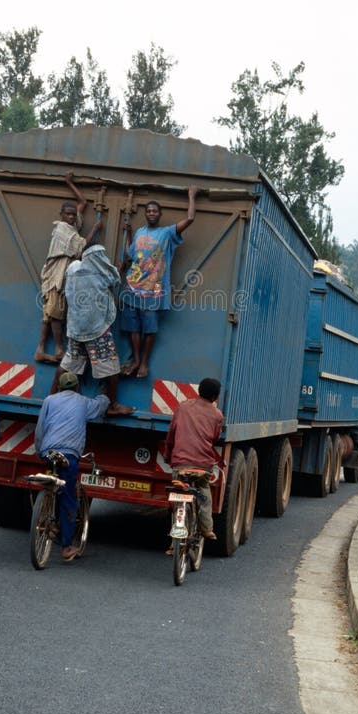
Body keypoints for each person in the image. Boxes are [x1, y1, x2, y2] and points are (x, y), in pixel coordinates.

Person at [119, 186, 197, 378]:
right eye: (149, 211)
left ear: (160, 214)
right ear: (145, 214)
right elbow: (131, 254)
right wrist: (129, 234)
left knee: (150, 327)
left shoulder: (167, 233)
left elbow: (190, 219)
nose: (151, 213)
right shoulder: (139, 232)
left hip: (153, 288)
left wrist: (191, 195)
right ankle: (136, 360)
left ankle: (144, 363)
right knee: (132, 326)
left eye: (155, 211)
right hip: (132, 286)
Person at [34, 371, 109, 561]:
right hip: (68, 455)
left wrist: (39, 451)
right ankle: (67, 546)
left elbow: (40, 428)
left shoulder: (49, 401)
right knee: (69, 498)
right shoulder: (83, 402)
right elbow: (101, 406)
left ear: (59, 386)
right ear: (77, 387)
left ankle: (49, 515)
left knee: (54, 483)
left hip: (48, 452)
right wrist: (105, 393)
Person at [54, 243, 134, 416]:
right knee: (111, 366)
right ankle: (113, 405)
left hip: (76, 328)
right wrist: (121, 266)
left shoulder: (73, 268)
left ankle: (51, 397)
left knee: (69, 363)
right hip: (96, 329)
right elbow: (114, 278)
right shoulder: (100, 273)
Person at [34, 173, 100, 364]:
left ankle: (40, 349)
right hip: (56, 277)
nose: (72, 217)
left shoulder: (72, 228)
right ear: (61, 215)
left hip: (62, 276)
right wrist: (95, 229)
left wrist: (69, 183)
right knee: (56, 313)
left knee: (49, 313)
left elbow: (83, 201)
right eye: (68, 214)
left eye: (73, 214)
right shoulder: (62, 230)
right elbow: (79, 248)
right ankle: (59, 348)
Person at [163, 377, 224, 542]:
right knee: (204, 494)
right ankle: (207, 529)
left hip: (180, 465)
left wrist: (168, 456)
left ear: (199, 391)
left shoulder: (182, 407)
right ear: (215, 397)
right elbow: (215, 438)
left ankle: (173, 541)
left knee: (177, 496)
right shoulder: (217, 415)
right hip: (202, 466)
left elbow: (171, 435)